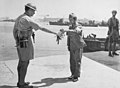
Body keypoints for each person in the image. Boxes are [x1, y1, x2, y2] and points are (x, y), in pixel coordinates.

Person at [13, 3, 57, 88]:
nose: (34, 13)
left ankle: (20, 81)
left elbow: (14, 31)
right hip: (25, 42)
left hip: (20, 41)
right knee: (25, 62)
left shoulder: (19, 17)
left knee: (21, 62)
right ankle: (22, 84)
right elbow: (41, 28)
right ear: (29, 10)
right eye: (33, 11)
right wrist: (54, 33)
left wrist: (17, 40)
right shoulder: (27, 19)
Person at [60, 13, 86, 82]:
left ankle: (76, 76)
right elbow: (69, 37)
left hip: (78, 45)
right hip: (72, 45)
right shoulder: (70, 27)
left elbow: (76, 31)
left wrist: (66, 31)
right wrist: (68, 45)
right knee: (72, 61)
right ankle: (72, 74)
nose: (70, 21)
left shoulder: (79, 26)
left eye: (71, 19)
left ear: (75, 19)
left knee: (77, 61)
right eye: (69, 19)